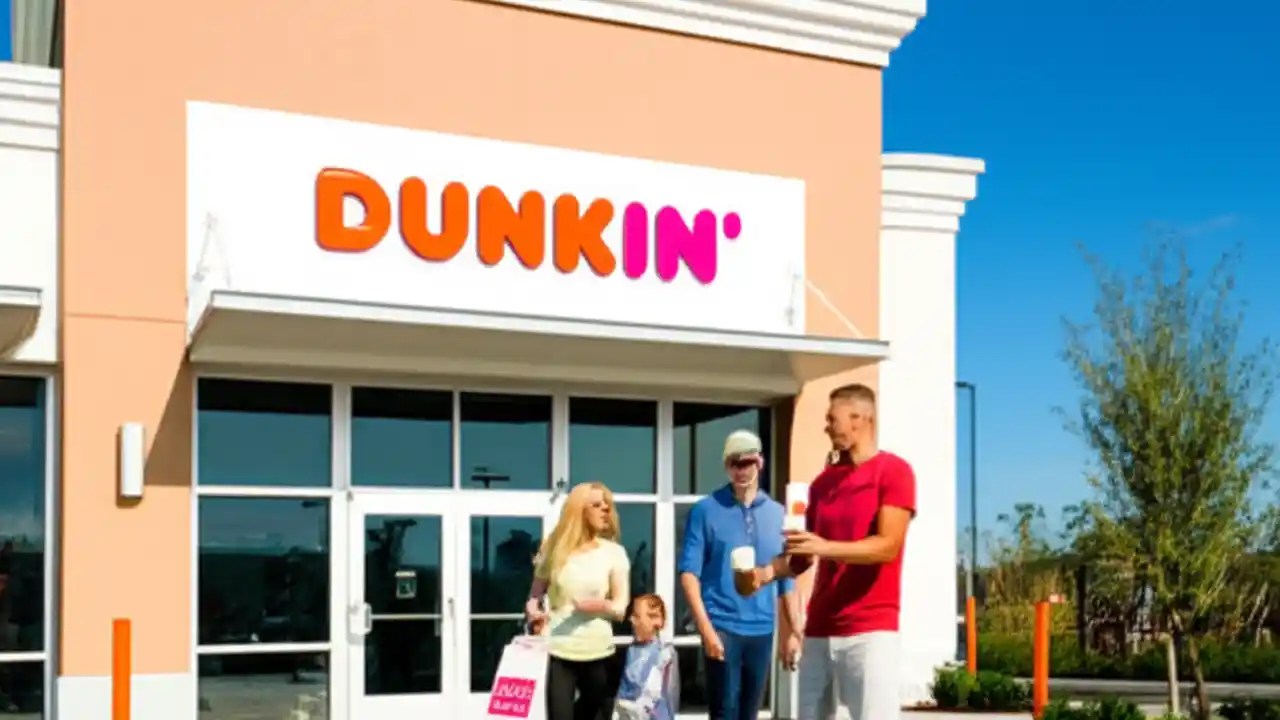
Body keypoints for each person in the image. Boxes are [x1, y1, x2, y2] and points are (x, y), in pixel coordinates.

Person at [747, 383, 916, 720]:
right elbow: (804, 556)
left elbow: (887, 546)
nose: (826, 426)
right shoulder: (823, 484)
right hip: (820, 628)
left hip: (870, 630)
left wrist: (824, 547)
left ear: (860, 418)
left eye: (831, 418)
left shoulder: (894, 472)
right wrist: (766, 573)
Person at [678, 430, 802, 720]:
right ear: (726, 466)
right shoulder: (705, 511)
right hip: (722, 626)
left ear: (760, 462)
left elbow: (787, 576)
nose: (742, 470)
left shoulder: (778, 513)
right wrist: (706, 630)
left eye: (748, 462)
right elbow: (689, 574)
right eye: (735, 463)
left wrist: (794, 632)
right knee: (724, 713)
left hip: (762, 628)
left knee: (750, 713)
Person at [525, 481, 632, 720]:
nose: (605, 509)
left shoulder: (613, 553)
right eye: (596, 505)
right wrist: (534, 612)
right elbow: (534, 595)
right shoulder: (553, 550)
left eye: (607, 505)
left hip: (598, 653)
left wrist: (599, 606)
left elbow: (620, 608)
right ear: (579, 510)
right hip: (558, 651)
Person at [611, 594, 680, 720]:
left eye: (637, 616)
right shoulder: (630, 650)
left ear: (656, 620)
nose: (631, 619)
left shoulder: (664, 654)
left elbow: (669, 694)